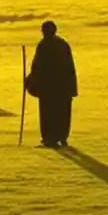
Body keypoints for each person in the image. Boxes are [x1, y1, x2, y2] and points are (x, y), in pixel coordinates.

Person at [25, 20, 78, 148]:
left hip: (48, 87)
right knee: (62, 112)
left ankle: (49, 138)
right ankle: (61, 136)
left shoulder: (43, 46)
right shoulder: (63, 44)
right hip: (62, 87)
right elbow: (70, 67)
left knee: (48, 112)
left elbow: (37, 67)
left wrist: (30, 80)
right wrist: (72, 87)